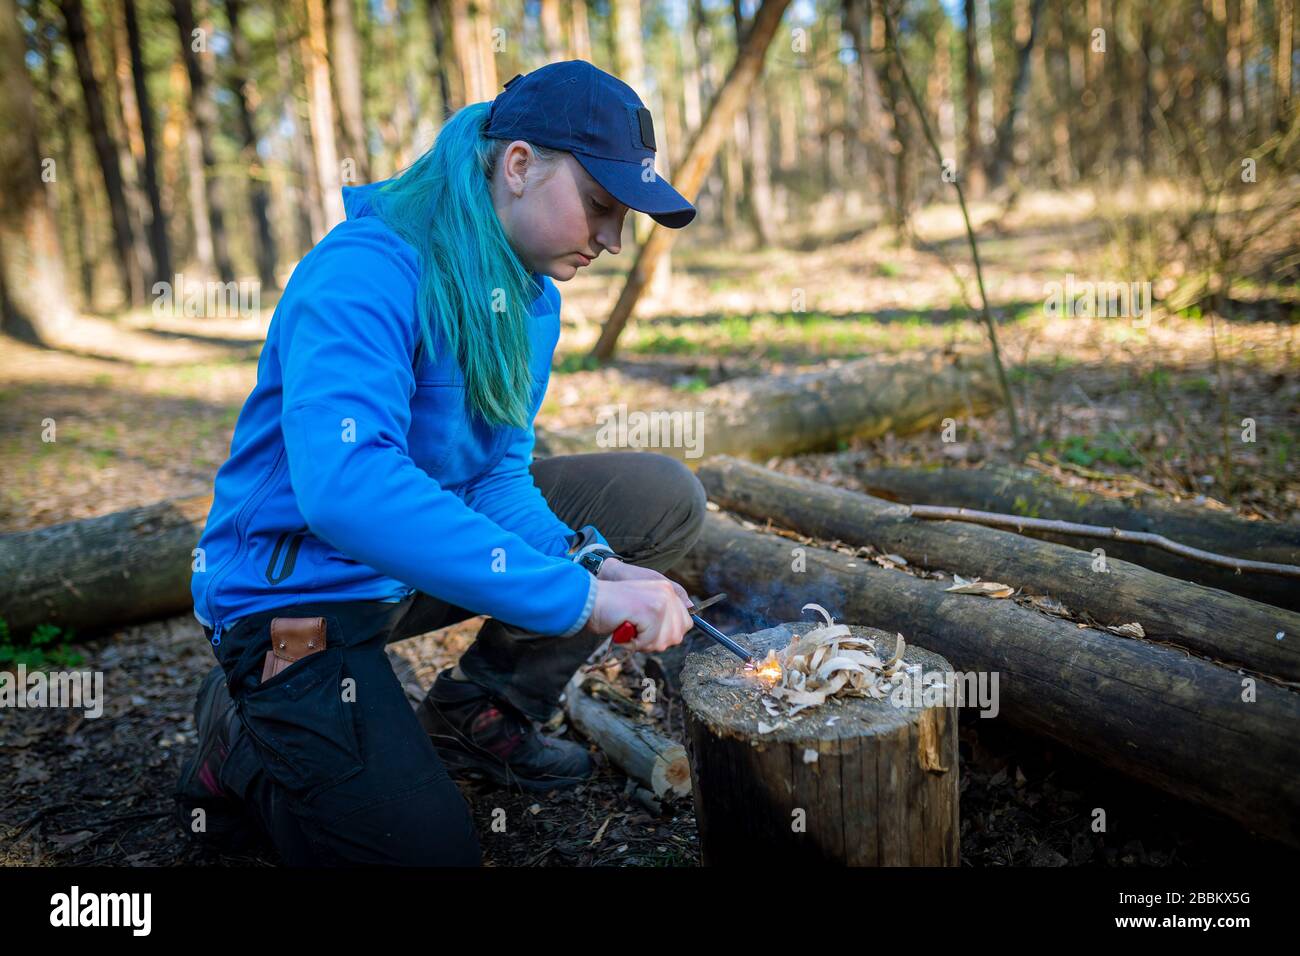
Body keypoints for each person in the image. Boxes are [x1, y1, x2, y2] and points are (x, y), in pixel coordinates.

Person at [173, 60, 704, 866]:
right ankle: (239, 733)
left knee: (660, 497)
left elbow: (494, 475)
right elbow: (346, 491)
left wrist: (591, 560)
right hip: (299, 602)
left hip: (409, 566)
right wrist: (574, 598)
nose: (610, 240)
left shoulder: (530, 298)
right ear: (519, 165)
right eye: (599, 206)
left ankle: (480, 718)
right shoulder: (365, 271)